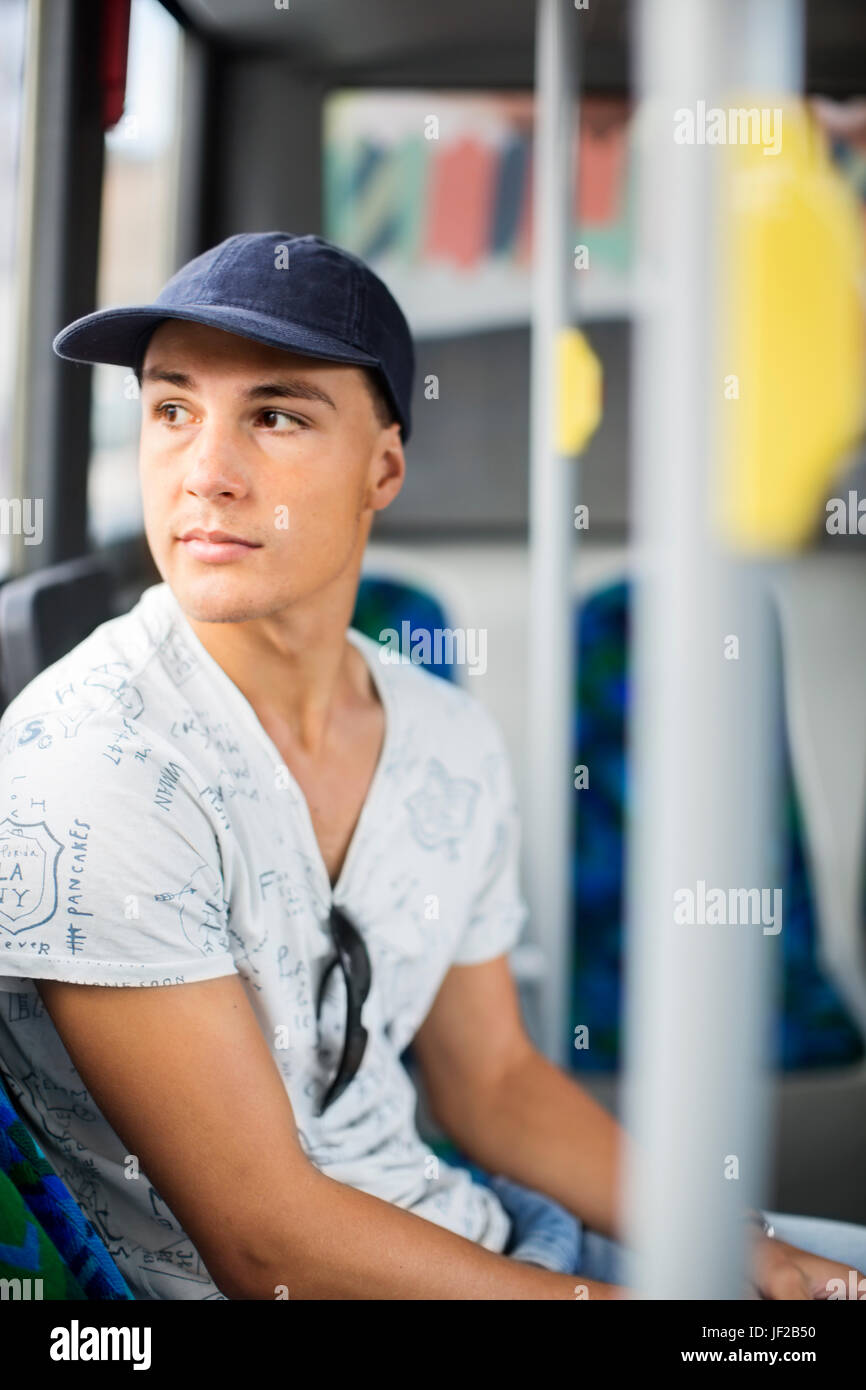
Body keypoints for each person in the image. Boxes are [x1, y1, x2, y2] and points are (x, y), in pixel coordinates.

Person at [0, 231, 863, 1301]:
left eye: (273, 415)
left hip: (490, 1240)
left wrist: (735, 1246)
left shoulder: (443, 738)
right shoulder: (90, 760)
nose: (206, 474)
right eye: (172, 410)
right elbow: (267, 1242)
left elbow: (491, 1082)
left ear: (384, 468)